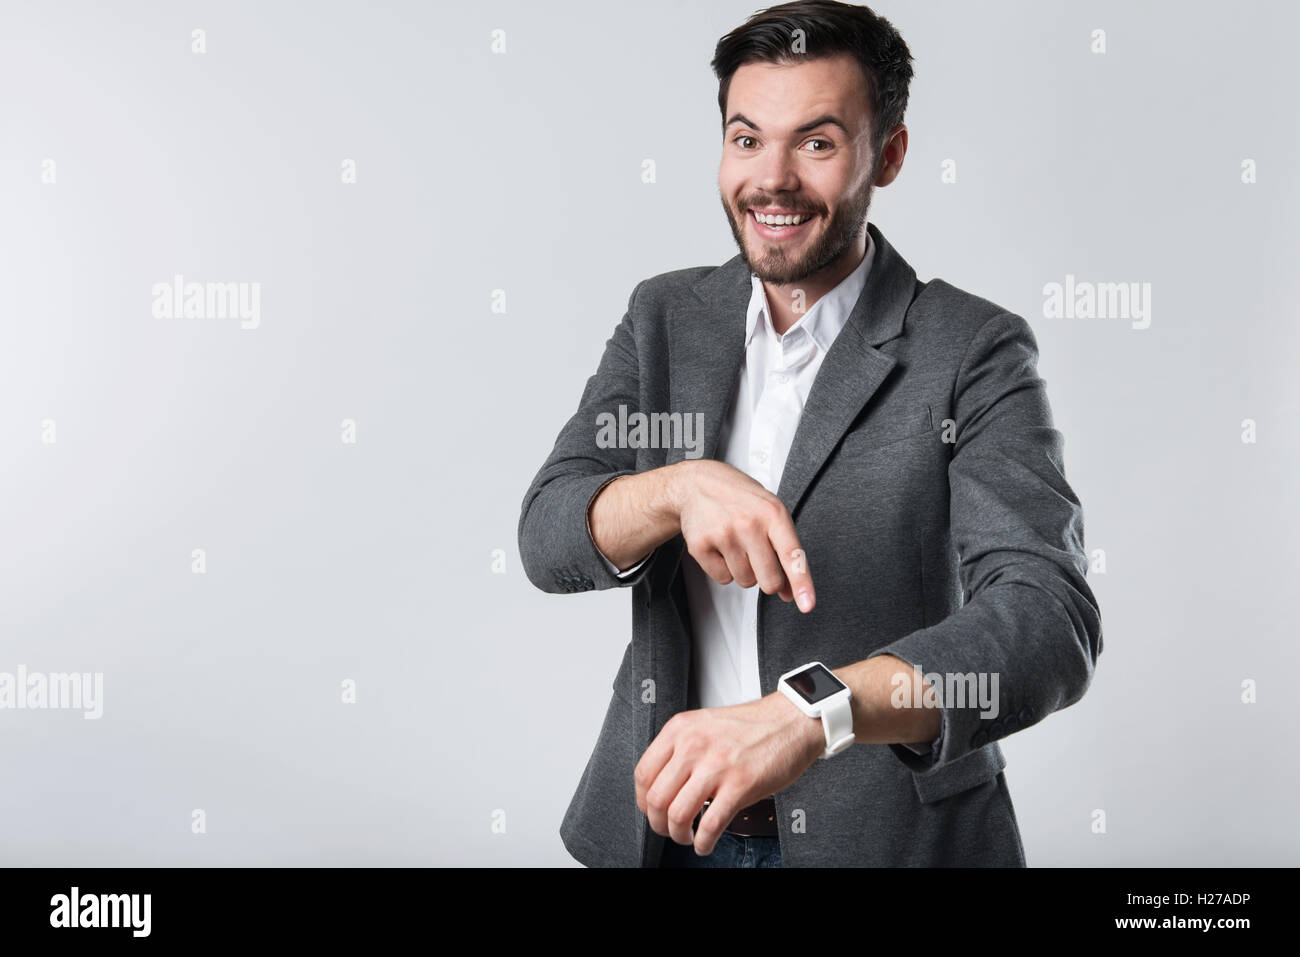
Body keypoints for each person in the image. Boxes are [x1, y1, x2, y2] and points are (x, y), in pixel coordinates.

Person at [518, 0, 1102, 868]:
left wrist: (813, 712)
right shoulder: (664, 317)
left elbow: (1046, 620)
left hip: (890, 843)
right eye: (747, 139)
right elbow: (548, 532)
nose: (773, 180)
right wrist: (678, 488)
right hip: (665, 832)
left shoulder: (971, 348)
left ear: (889, 155)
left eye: (817, 143)